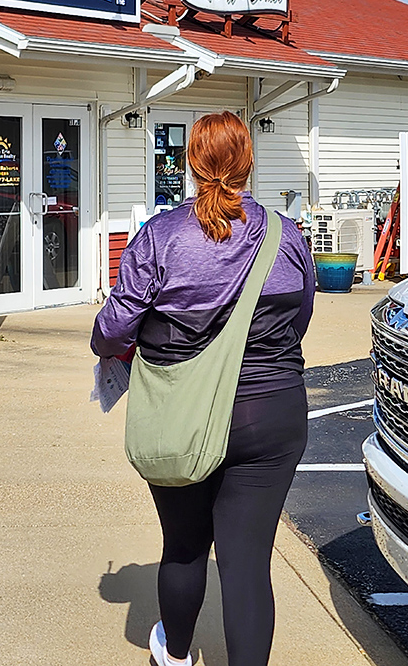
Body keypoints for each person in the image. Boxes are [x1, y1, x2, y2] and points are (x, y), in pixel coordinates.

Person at [91, 110, 315, 666]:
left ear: (191, 164)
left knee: (186, 546)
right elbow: (301, 316)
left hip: (180, 414)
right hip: (273, 412)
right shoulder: (287, 236)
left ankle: (177, 654)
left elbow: (111, 331)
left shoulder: (160, 237)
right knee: (246, 562)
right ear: (249, 161)